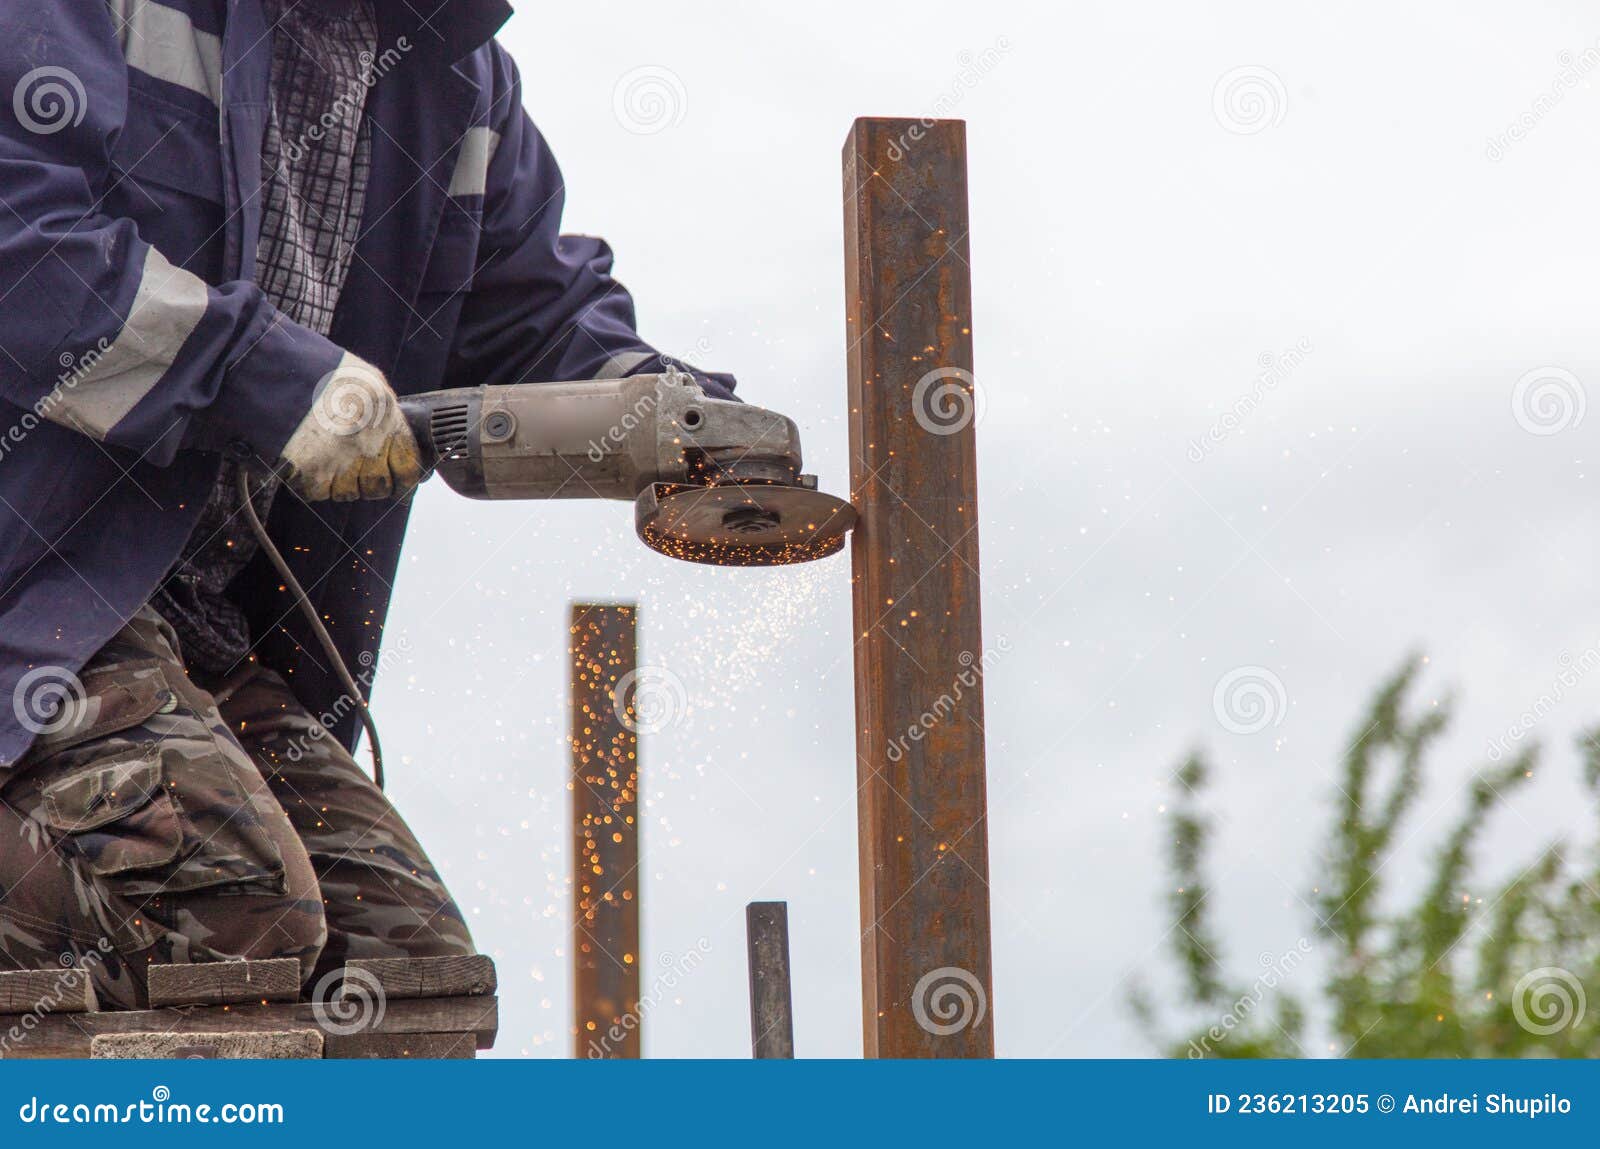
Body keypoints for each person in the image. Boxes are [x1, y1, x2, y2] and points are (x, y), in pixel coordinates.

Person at [0, 0, 734, 1009]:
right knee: (219, 909)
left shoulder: (458, 87)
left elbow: (531, 314)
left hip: (202, 623)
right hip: (31, 593)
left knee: (403, 978)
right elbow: (22, 247)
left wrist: (675, 419)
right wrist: (270, 382)